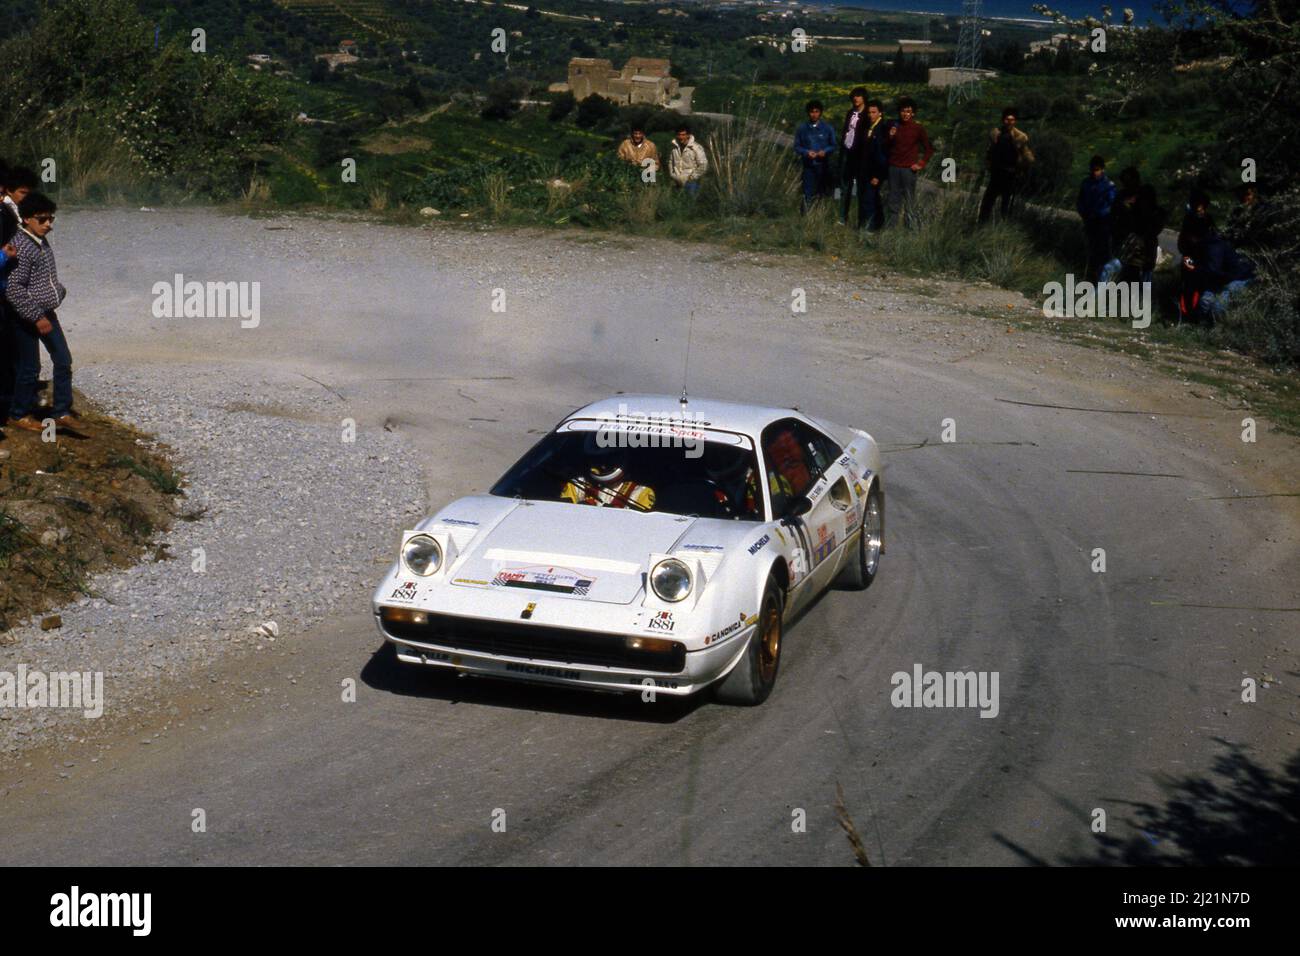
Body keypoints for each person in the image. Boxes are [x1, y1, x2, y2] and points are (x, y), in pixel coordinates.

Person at [5, 192, 75, 430]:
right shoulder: (22, 245)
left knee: (63, 360)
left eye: (51, 219)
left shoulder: (40, 240)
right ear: (26, 219)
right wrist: (36, 317)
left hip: (46, 313)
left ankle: (62, 411)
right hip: (26, 317)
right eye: (42, 219)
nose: (48, 224)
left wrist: (59, 292)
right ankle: (19, 414)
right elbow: (13, 288)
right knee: (30, 367)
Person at [839, 91, 888, 231]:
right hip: (853, 159)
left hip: (867, 165)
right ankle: (851, 221)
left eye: (873, 112)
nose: (870, 115)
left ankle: (870, 227)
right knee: (851, 190)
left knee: (869, 198)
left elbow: (881, 154)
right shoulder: (852, 114)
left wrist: (877, 174)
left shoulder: (877, 125)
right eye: (869, 112)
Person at [978, 106, 1034, 223]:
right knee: (988, 202)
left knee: (1005, 204)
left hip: (1010, 174)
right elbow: (990, 152)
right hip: (996, 173)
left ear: (1015, 121)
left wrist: (1021, 169)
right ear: (1003, 120)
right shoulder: (996, 134)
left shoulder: (1020, 137)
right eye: (1007, 119)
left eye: (1012, 120)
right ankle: (982, 224)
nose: (1009, 122)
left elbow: (1028, 158)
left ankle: (1002, 227)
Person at [885, 96, 933, 228]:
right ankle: (891, 228)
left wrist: (921, 164)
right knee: (893, 199)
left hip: (909, 170)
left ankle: (910, 228)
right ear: (899, 112)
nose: (905, 114)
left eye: (908, 112)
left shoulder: (918, 128)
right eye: (903, 111)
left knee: (909, 200)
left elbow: (929, 149)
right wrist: (890, 136)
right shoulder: (893, 125)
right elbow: (885, 145)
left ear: (913, 113)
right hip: (893, 167)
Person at [561, 445, 655, 510]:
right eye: (598, 459)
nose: (603, 465)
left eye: (608, 459)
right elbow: (562, 513)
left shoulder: (641, 492)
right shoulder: (576, 484)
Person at [1076, 155, 1116, 282]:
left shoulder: (1108, 186)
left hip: (1103, 223)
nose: (1095, 172)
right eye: (1093, 169)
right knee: (1090, 250)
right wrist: (1084, 213)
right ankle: (1089, 277)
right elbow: (1080, 200)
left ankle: (1102, 280)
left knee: (1103, 252)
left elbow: (1112, 205)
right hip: (1089, 221)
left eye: (1097, 169)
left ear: (1102, 169)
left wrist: (1099, 213)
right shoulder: (1086, 183)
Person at [794, 100, 837, 214]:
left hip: (823, 166)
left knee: (821, 191)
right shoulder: (802, 128)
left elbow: (833, 145)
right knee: (807, 192)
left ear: (820, 113)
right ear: (808, 113)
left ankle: (819, 215)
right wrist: (806, 152)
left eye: (816, 112)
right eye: (811, 112)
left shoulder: (828, 128)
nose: (814, 114)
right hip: (808, 165)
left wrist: (825, 151)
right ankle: (805, 216)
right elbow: (797, 146)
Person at [668, 124, 708, 197]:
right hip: (677, 181)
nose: (681, 137)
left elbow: (703, 165)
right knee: (677, 204)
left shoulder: (696, 148)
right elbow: (671, 161)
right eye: (679, 135)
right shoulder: (674, 147)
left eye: (683, 135)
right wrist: (672, 174)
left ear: (688, 135)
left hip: (691, 183)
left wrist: (691, 178)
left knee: (689, 204)